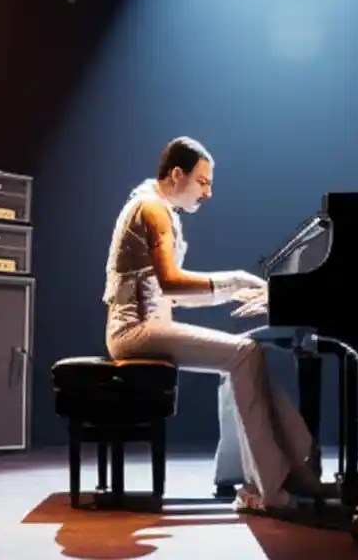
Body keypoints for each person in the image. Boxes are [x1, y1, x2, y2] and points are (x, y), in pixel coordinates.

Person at [102, 136, 332, 512]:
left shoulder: (156, 208)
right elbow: (172, 283)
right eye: (203, 182)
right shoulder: (151, 209)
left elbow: (171, 294)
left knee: (247, 356)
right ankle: (271, 490)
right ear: (178, 174)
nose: (208, 193)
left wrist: (233, 290)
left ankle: (296, 473)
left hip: (146, 326)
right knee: (245, 353)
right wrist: (237, 280)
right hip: (133, 332)